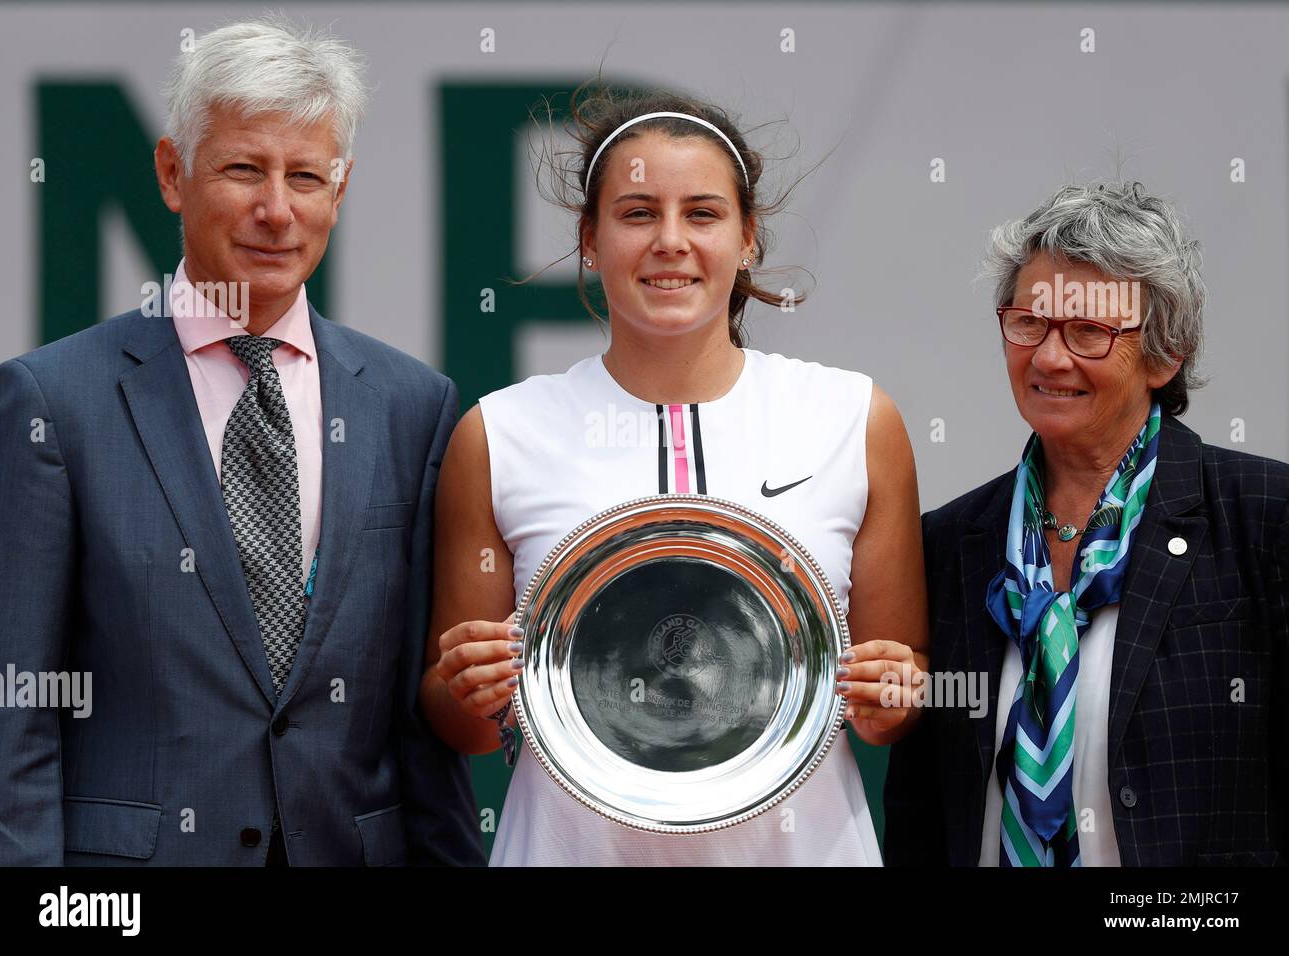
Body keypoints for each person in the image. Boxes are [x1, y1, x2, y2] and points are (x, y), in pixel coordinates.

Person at [0, 16, 483, 866]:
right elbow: (13, 712)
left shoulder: (414, 407)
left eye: (306, 176)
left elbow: (416, 729)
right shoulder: (52, 401)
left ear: (342, 187)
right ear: (171, 174)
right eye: (244, 168)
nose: (276, 210)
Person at [422, 86, 930, 865]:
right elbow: (463, 726)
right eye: (635, 213)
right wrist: (463, 687)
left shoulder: (855, 419)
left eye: (701, 213)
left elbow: (893, 697)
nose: (670, 241)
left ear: (748, 237)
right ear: (589, 240)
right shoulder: (499, 433)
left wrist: (895, 692)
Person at [884, 181, 1289, 866]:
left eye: (1089, 332)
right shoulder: (949, 543)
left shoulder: (1264, 516)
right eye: (1029, 323)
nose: (1048, 357)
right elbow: (919, 811)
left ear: (1166, 352)